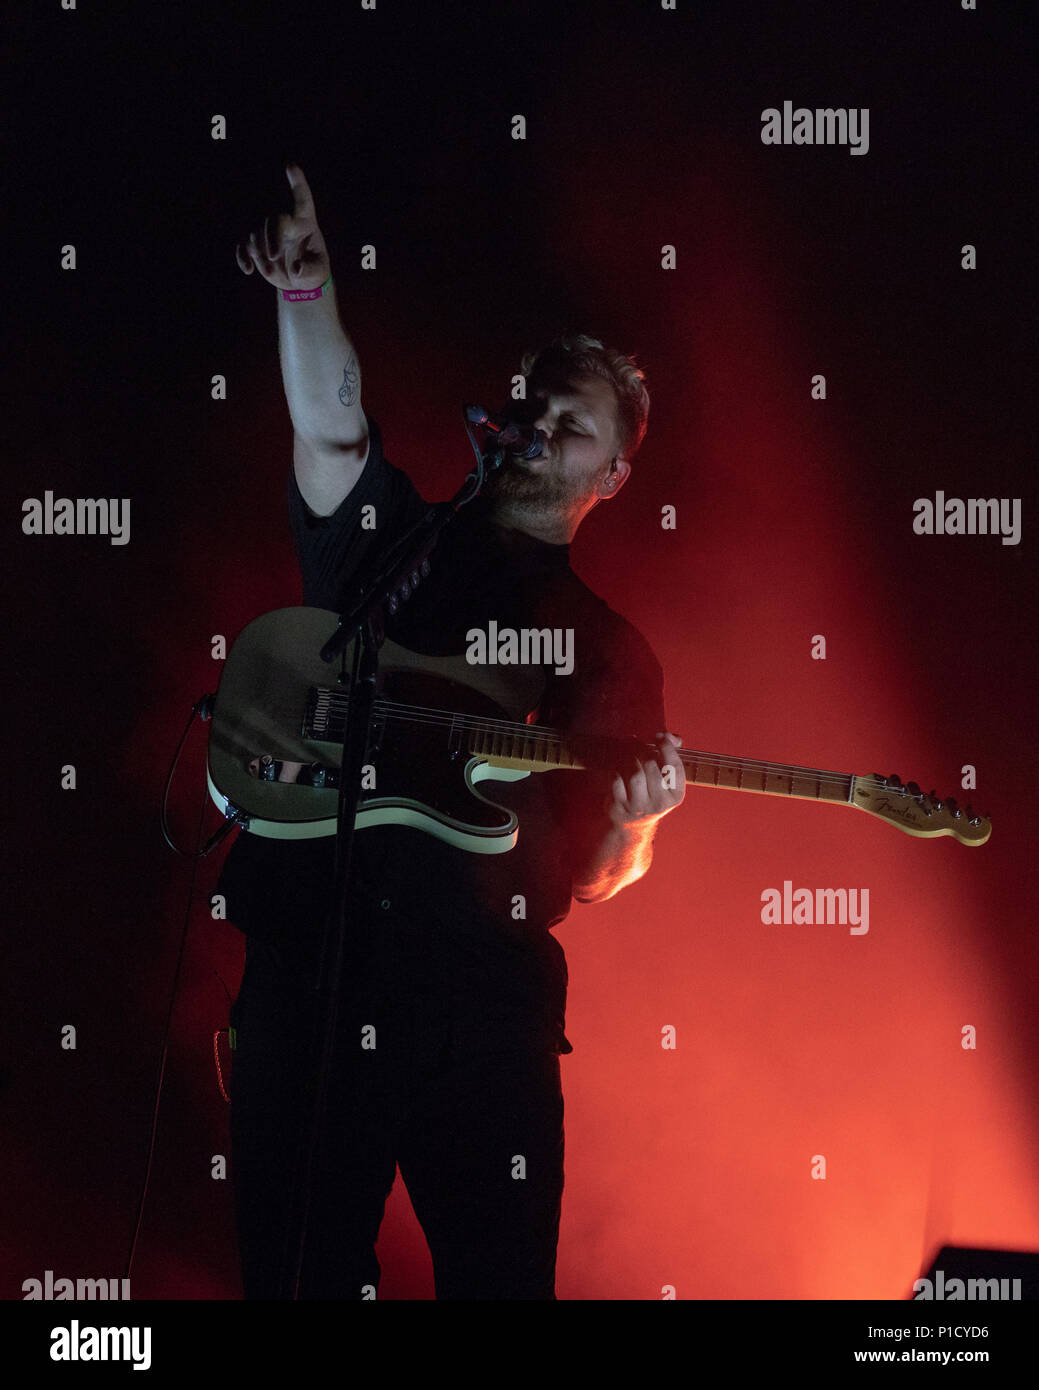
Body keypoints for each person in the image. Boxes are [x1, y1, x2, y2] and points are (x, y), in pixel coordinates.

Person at [218, 163, 685, 1300]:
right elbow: (331, 430)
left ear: (613, 475)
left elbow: (601, 865)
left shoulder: (608, 649)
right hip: (313, 977)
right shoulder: (394, 547)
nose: (541, 424)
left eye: (575, 424)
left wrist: (633, 833)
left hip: (482, 1013)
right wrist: (305, 293)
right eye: (535, 401)